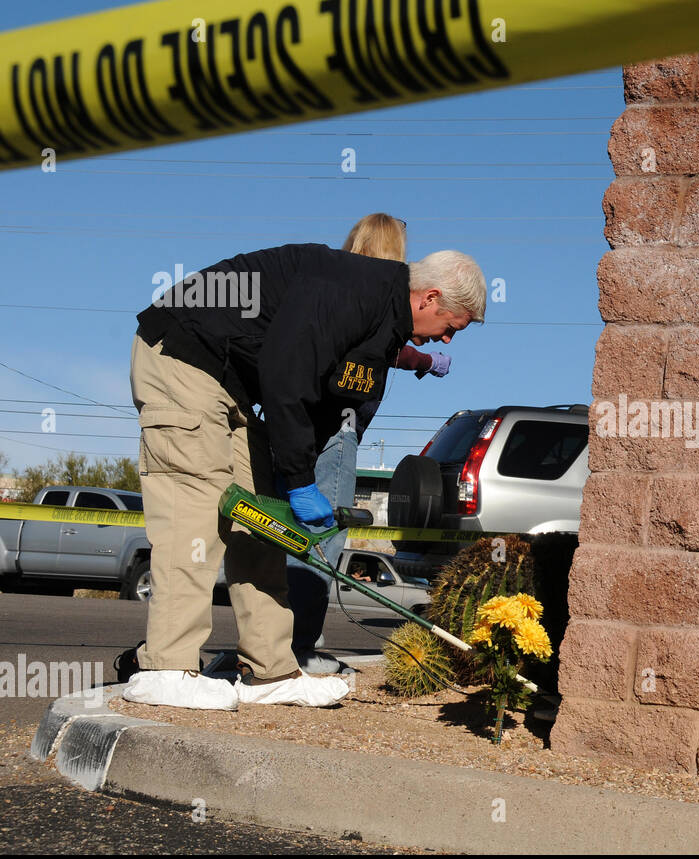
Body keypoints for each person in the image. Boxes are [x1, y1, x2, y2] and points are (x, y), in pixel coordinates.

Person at [122, 242, 486, 710]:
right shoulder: (351, 291)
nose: (447, 340)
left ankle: (270, 672)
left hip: (231, 383)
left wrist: (290, 479)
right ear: (430, 298)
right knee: (193, 514)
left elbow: (318, 394)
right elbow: (286, 374)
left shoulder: (383, 318)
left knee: (259, 521)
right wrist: (299, 480)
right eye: (451, 327)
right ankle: (167, 669)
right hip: (183, 359)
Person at [287, 214, 450, 673]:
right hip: (336, 428)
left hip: (297, 423)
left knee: (286, 534)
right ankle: (299, 652)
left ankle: (271, 646)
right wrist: (426, 359)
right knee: (323, 538)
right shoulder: (376, 296)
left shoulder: (327, 284)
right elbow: (388, 347)